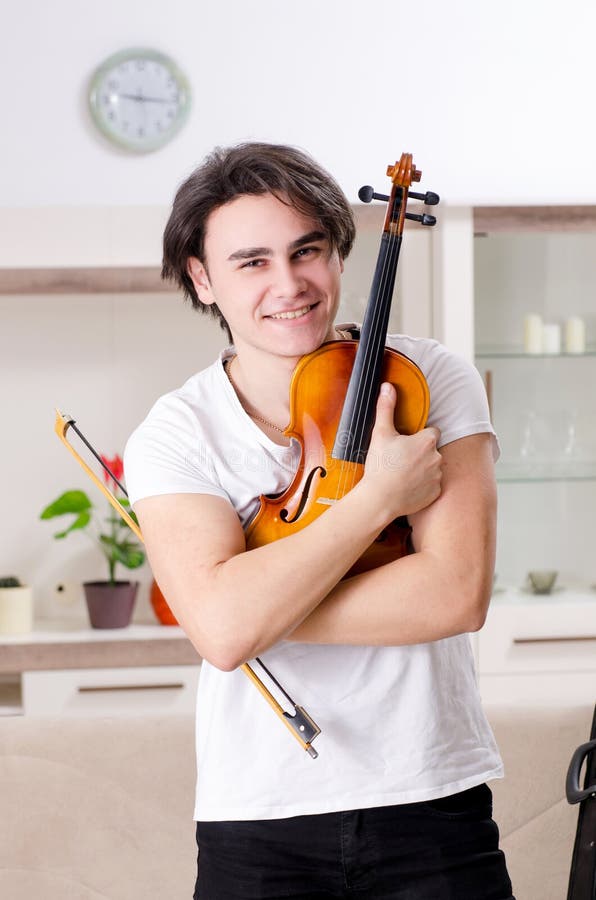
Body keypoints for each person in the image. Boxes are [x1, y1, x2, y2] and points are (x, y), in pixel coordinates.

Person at [124, 142, 515, 899]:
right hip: (259, 818)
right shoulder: (176, 433)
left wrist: (247, 602)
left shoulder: (428, 379)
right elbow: (223, 633)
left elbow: (455, 596)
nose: (289, 284)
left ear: (339, 257)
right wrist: (375, 503)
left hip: (431, 797)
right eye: (252, 262)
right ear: (202, 279)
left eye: (307, 251)